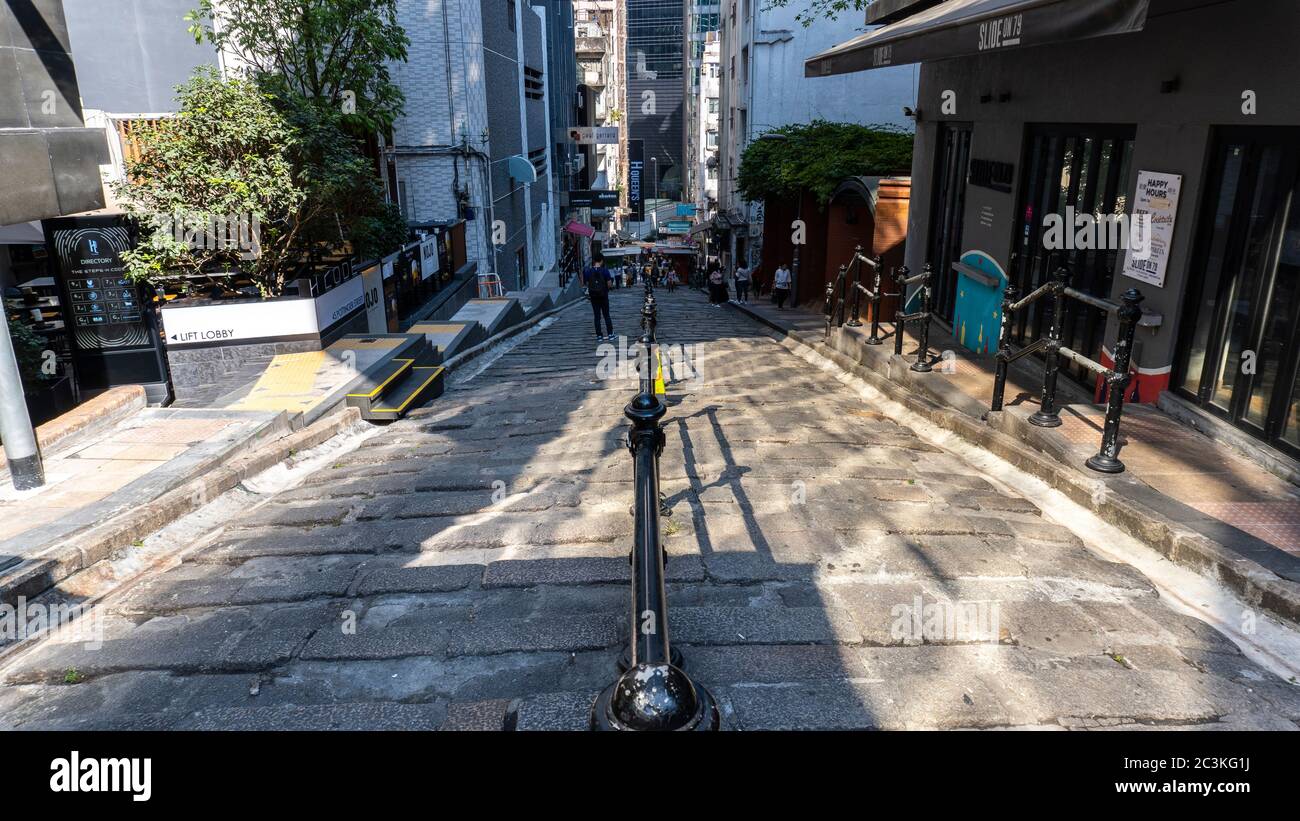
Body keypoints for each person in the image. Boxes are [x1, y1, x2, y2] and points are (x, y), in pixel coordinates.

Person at [582, 251, 615, 341]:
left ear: (593, 261)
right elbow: (609, 285)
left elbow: (586, 283)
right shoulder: (605, 270)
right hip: (603, 296)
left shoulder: (588, 271)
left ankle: (599, 336)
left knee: (597, 316)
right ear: (601, 260)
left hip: (593, 297)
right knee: (606, 315)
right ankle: (610, 334)